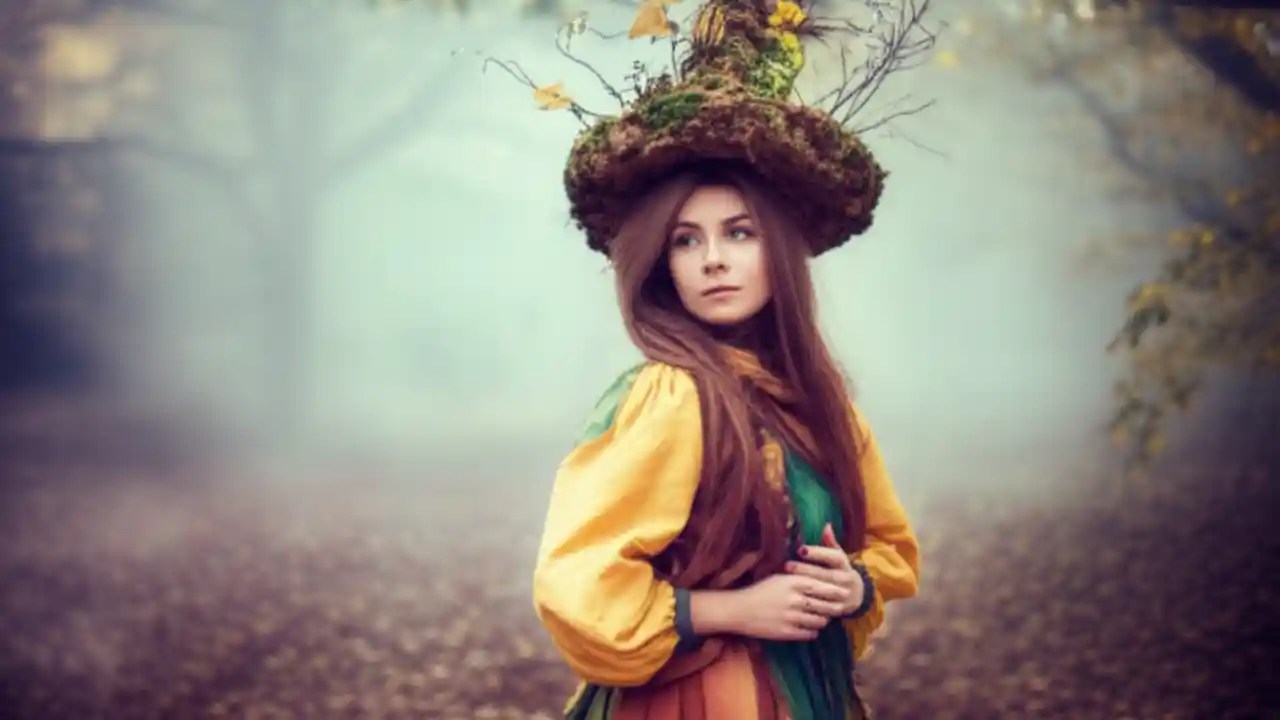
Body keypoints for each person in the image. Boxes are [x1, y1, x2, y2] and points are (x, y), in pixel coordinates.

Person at [529, 2, 922, 718]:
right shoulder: (671, 395)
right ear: (660, 264)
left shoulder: (820, 402)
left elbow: (890, 549)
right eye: (685, 240)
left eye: (738, 233)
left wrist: (853, 585)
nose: (713, 260)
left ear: (778, 249)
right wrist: (730, 610)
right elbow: (579, 582)